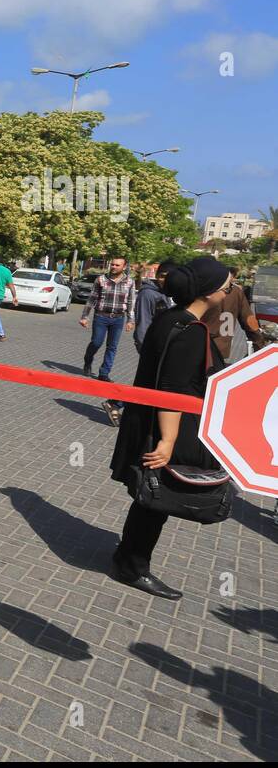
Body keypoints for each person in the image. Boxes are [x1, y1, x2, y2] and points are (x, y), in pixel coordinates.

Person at [108, 257, 230, 600]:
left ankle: (129, 559)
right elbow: (173, 389)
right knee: (157, 497)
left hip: (146, 419)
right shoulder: (191, 331)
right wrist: (169, 440)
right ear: (208, 293)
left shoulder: (169, 318)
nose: (228, 291)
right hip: (165, 423)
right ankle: (131, 566)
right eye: (226, 286)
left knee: (150, 495)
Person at [102, 262, 173, 426]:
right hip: (149, 346)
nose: (165, 280)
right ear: (157, 275)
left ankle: (117, 403)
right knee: (151, 383)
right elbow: (143, 325)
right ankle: (117, 403)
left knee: (148, 382)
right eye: (162, 276)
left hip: (158, 346)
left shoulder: (164, 294)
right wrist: (146, 348)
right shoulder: (148, 294)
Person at [80, 256, 135, 380]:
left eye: (117, 265)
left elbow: (131, 302)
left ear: (124, 267)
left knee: (112, 346)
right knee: (96, 342)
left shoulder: (130, 282)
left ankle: (104, 373)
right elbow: (91, 299)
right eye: (113, 264)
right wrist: (84, 316)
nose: (114, 267)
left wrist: (130, 320)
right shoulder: (101, 279)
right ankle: (88, 360)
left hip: (118, 318)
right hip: (101, 316)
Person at [204, 266, 262, 364]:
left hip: (198, 345)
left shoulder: (203, 289)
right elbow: (249, 320)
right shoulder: (236, 291)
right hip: (221, 349)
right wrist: (258, 343)